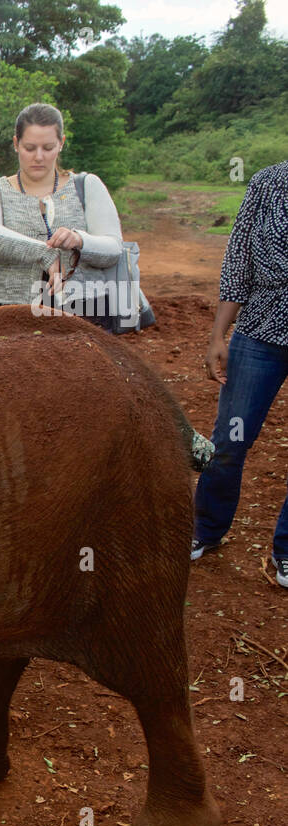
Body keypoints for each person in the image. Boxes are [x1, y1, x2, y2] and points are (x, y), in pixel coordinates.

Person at [192, 160, 288, 586]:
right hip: (260, 333)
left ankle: (285, 551)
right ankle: (205, 529)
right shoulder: (267, 183)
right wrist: (218, 335)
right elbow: (238, 264)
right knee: (230, 439)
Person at [0, 103, 124, 320]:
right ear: (16, 143)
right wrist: (43, 253)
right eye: (30, 148)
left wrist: (80, 240)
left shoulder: (88, 185)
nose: (39, 157)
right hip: (10, 313)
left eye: (48, 148)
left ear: (61, 143)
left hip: (85, 313)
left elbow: (114, 248)